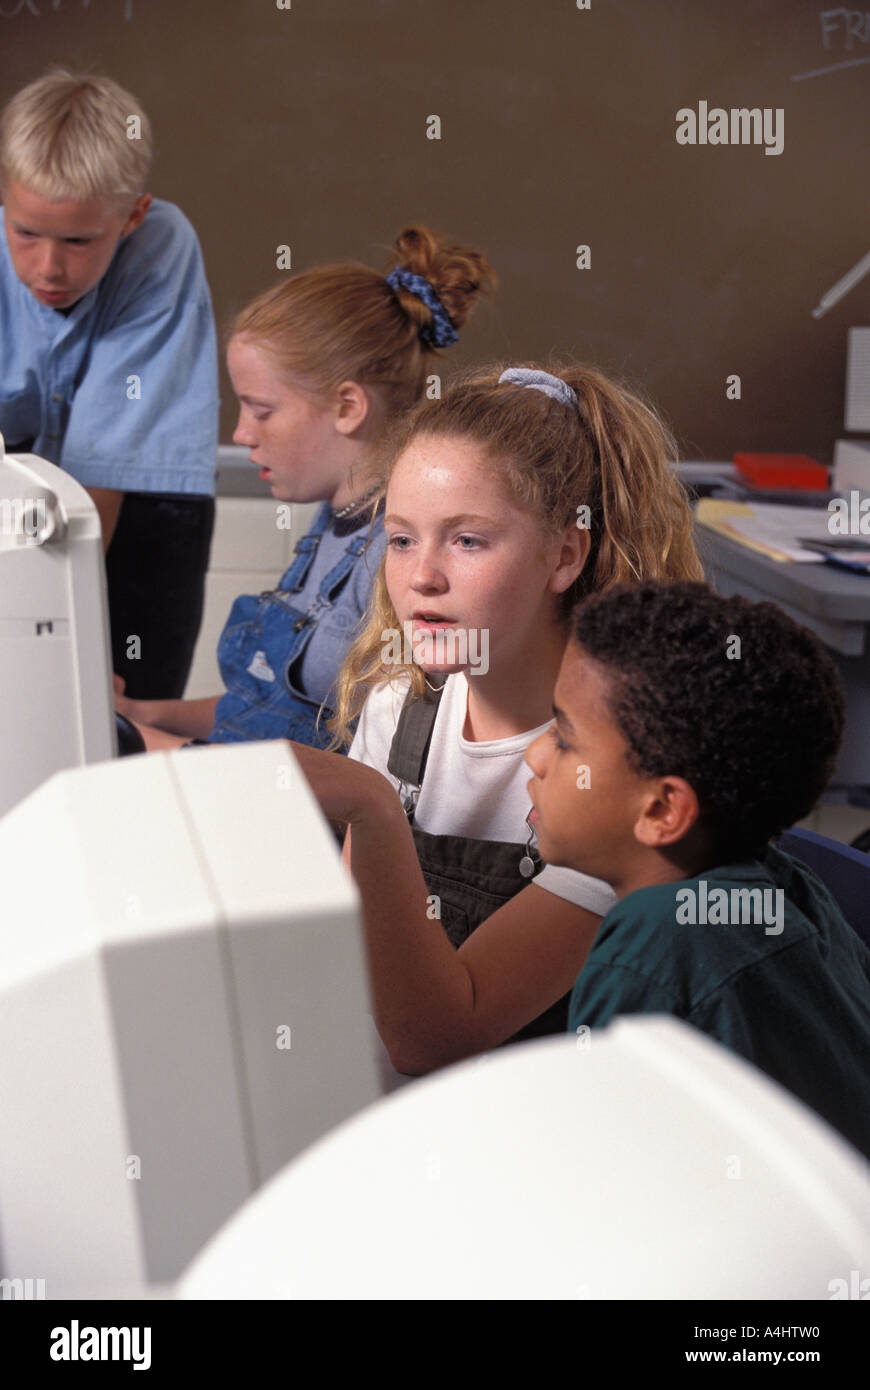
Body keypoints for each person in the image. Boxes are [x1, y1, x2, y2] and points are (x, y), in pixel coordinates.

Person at [289, 364, 705, 1071]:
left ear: (564, 554)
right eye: (401, 539)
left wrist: (370, 806)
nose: (422, 576)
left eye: (468, 540)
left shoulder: (616, 771)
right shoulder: (400, 707)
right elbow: (354, 963)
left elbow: (440, 1038)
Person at [526, 580, 870, 1159]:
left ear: (662, 810)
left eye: (564, 738)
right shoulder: (788, 885)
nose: (535, 754)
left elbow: (600, 1173)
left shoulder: (652, 946)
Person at [116, 227, 496, 751]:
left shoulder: (401, 554)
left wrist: (147, 743)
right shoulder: (331, 521)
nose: (241, 433)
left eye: (261, 410)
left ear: (347, 407)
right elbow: (265, 710)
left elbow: (367, 768)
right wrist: (143, 713)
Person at [0, 69, 219, 699]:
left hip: (133, 500)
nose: (48, 266)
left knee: (124, 709)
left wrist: (67, 628)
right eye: (26, 232)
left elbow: (101, 476)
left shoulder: (162, 245)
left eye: (78, 240)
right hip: (12, 491)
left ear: (131, 217)